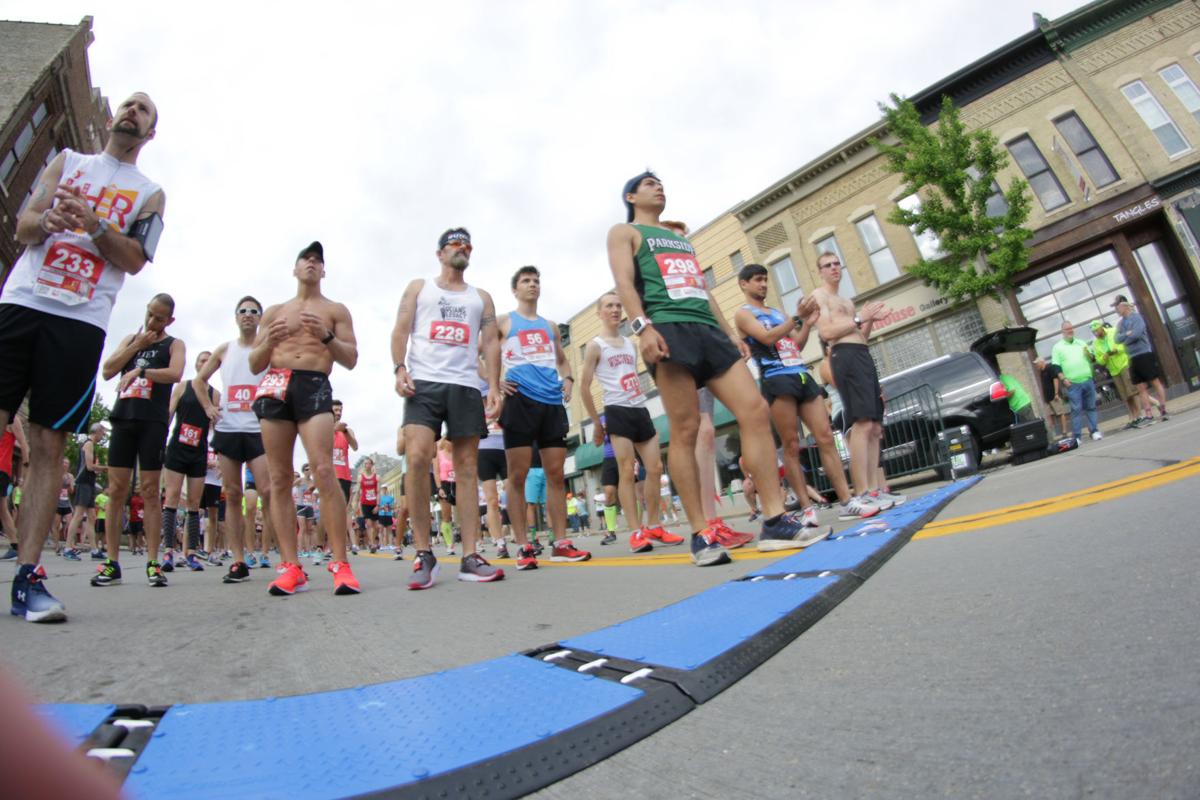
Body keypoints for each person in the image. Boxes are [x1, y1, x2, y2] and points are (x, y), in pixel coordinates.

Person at [1, 92, 164, 621]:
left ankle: (28, 578)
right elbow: (22, 226)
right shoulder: (67, 162)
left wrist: (95, 224)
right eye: (130, 104)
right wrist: (48, 221)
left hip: (81, 319)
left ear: (151, 133)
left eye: (144, 111)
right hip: (23, 302)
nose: (132, 112)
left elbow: (137, 259)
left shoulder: (150, 193)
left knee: (49, 445)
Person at [608, 171, 816, 564]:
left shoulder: (681, 239)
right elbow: (623, 281)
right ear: (633, 195)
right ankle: (702, 534)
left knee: (755, 411)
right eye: (650, 183)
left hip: (708, 330)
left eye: (661, 182)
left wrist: (728, 332)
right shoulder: (625, 231)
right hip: (667, 327)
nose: (659, 187)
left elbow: (703, 290)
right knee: (685, 430)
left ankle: (774, 520)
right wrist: (642, 328)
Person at [391, 227, 504, 587]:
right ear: (440, 253)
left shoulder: (481, 298)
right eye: (455, 243)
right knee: (418, 458)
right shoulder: (418, 287)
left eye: (467, 244)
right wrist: (399, 368)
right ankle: (424, 553)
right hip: (424, 383)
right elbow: (400, 331)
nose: (463, 248)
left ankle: (470, 555)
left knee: (467, 467)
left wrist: (495, 386)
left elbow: (490, 345)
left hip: (466, 385)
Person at [252, 241, 361, 596]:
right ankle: (291, 566)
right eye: (306, 260)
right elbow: (255, 363)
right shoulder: (274, 312)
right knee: (280, 478)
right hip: (277, 384)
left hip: (314, 384)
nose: (312, 264)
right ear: (295, 269)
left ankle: (340, 564)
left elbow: (351, 359)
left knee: (324, 470)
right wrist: (268, 340)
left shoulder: (335, 310)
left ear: (324, 271)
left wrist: (326, 335)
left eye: (318, 261)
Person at [735, 262, 863, 527]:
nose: (763, 284)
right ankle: (806, 508)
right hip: (776, 378)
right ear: (744, 284)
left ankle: (847, 500)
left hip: (801, 374)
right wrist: (796, 317)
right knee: (792, 445)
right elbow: (768, 338)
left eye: (765, 280)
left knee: (826, 436)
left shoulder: (778, 313)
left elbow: (796, 343)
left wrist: (807, 322)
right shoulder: (743, 314)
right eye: (757, 280)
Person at [499, 266, 592, 567]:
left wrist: (568, 380)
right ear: (515, 289)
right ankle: (524, 546)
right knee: (517, 476)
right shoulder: (504, 322)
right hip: (519, 400)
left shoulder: (550, 326)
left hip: (551, 402)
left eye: (536, 281)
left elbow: (564, 363)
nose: (532, 285)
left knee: (555, 474)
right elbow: (478, 354)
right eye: (526, 281)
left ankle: (561, 543)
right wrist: (494, 382)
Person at [91, 294, 185, 588]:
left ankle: (154, 563)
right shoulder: (132, 339)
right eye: (150, 314)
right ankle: (112, 562)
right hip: (124, 419)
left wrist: (141, 370)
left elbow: (175, 373)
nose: (152, 321)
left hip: (152, 423)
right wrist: (136, 347)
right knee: (117, 490)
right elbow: (107, 371)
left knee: (148, 491)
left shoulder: (173, 344)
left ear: (169, 320)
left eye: (159, 318)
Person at [579, 291, 681, 553]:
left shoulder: (630, 344)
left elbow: (633, 377)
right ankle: (636, 532)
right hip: (617, 410)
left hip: (639, 408)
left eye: (618, 306)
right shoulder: (595, 346)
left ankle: (654, 525)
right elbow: (584, 387)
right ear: (600, 313)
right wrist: (597, 424)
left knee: (656, 468)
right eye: (609, 306)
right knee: (626, 470)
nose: (615, 310)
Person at [194, 295, 278, 584]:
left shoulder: (266, 347)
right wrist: (208, 407)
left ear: (260, 318)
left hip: (258, 429)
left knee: (268, 492)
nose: (248, 315)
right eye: (243, 310)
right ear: (235, 316)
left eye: (254, 311)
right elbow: (198, 381)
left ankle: (277, 556)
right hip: (228, 429)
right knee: (232, 494)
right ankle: (238, 560)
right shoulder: (224, 349)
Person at [811, 252, 897, 517]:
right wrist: (859, 319)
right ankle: (860, 493)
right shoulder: (820, 296)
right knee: (860, 424)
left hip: (861, 354)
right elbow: (826, 332)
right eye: (828, 265)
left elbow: (861, 336)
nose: (834, 268)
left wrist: (869, 319)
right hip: (843, 356)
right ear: (820, 271)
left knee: (873, 425)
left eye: (837, 263)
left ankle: (872, 490)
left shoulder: (846, 301)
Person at [160, 350, 219, 573]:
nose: (205, 364)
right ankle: (168, 550)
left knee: (195, 503)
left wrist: (220, 455)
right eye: (202, 360)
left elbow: (216, 428)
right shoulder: (182, 387)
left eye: (209, 361)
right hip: (177, 447)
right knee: (172, 497)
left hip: (199, 451)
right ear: (196, 365)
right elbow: (168, 415)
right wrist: (158, 440)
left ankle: (191, 553)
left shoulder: (215, 394)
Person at [1112, 295, 1169, 423]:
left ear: (1124, 306)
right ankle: (1148, 414)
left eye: (1117, 306)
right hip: (1132, 357)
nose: (1116, 310)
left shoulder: (1137, 318)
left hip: (1144, 354)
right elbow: (1117, 339)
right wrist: (1127, 334)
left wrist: (1126, 338)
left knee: (1155, 382)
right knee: (1140, 388)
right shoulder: (1121, 323)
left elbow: (1137, 334)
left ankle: (1163, 409)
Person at [1051, 321, 1101, 444]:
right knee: (1076, 410)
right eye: (1067, 329)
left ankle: (1094, 431)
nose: (1070, 330)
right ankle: (1077, 437)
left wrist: (1091, 355)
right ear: (1062, 331)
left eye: (1071, 328)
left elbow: (1092, 358)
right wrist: (1064, 379)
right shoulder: (1058, 347)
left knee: (1091, 406)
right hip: (1073, 383)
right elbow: (1056, 367)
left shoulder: (1081, 343)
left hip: (1087, 379)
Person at [1089, 320, 1143, 428]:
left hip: (1123, 364)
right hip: (1113, 370)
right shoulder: (1095, 343)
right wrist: (1103, 358)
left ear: (1101, 328)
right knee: (1125, 395)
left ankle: (1140, 415)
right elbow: (1099, 360)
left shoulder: (1113, 331)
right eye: (1093, 332)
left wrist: (1116, 350)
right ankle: (1132, 417)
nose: (1095, 334)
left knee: (1132, 391)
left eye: (1096, 331)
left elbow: (1124, 344)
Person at [0, 419, 30, 560]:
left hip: (2, 468)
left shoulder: (12, 419)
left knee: (4, 509)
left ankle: (15, 546)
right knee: (2, 509)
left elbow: (24, 445)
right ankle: (14, 546)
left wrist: (24, 476)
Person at [1034, 357, 1069, 438]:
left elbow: (1055, 380)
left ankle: (1064, 431)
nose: (1036, 366)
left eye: (1037, 364)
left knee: (1061, 413)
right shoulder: (1042, 372)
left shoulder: (1050, 368)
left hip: (1054, 396)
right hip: (1048, 398)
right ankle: (1052, 434)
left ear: (1041, 362)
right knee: (1050, 415)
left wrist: (1056, 393)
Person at [357, 457, 381, 552]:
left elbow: (378, 492)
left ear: (372, 465)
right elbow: (360, 491)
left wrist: (378, 505)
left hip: (374, 503)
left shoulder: (377, 477)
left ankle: (373, 541)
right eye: (365, 464)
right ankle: (372, 544)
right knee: (369, 524)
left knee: (376, 526)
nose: (367, 465)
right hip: (365, 503)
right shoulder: (360, 477)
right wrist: (358, 504)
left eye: (369, 463)